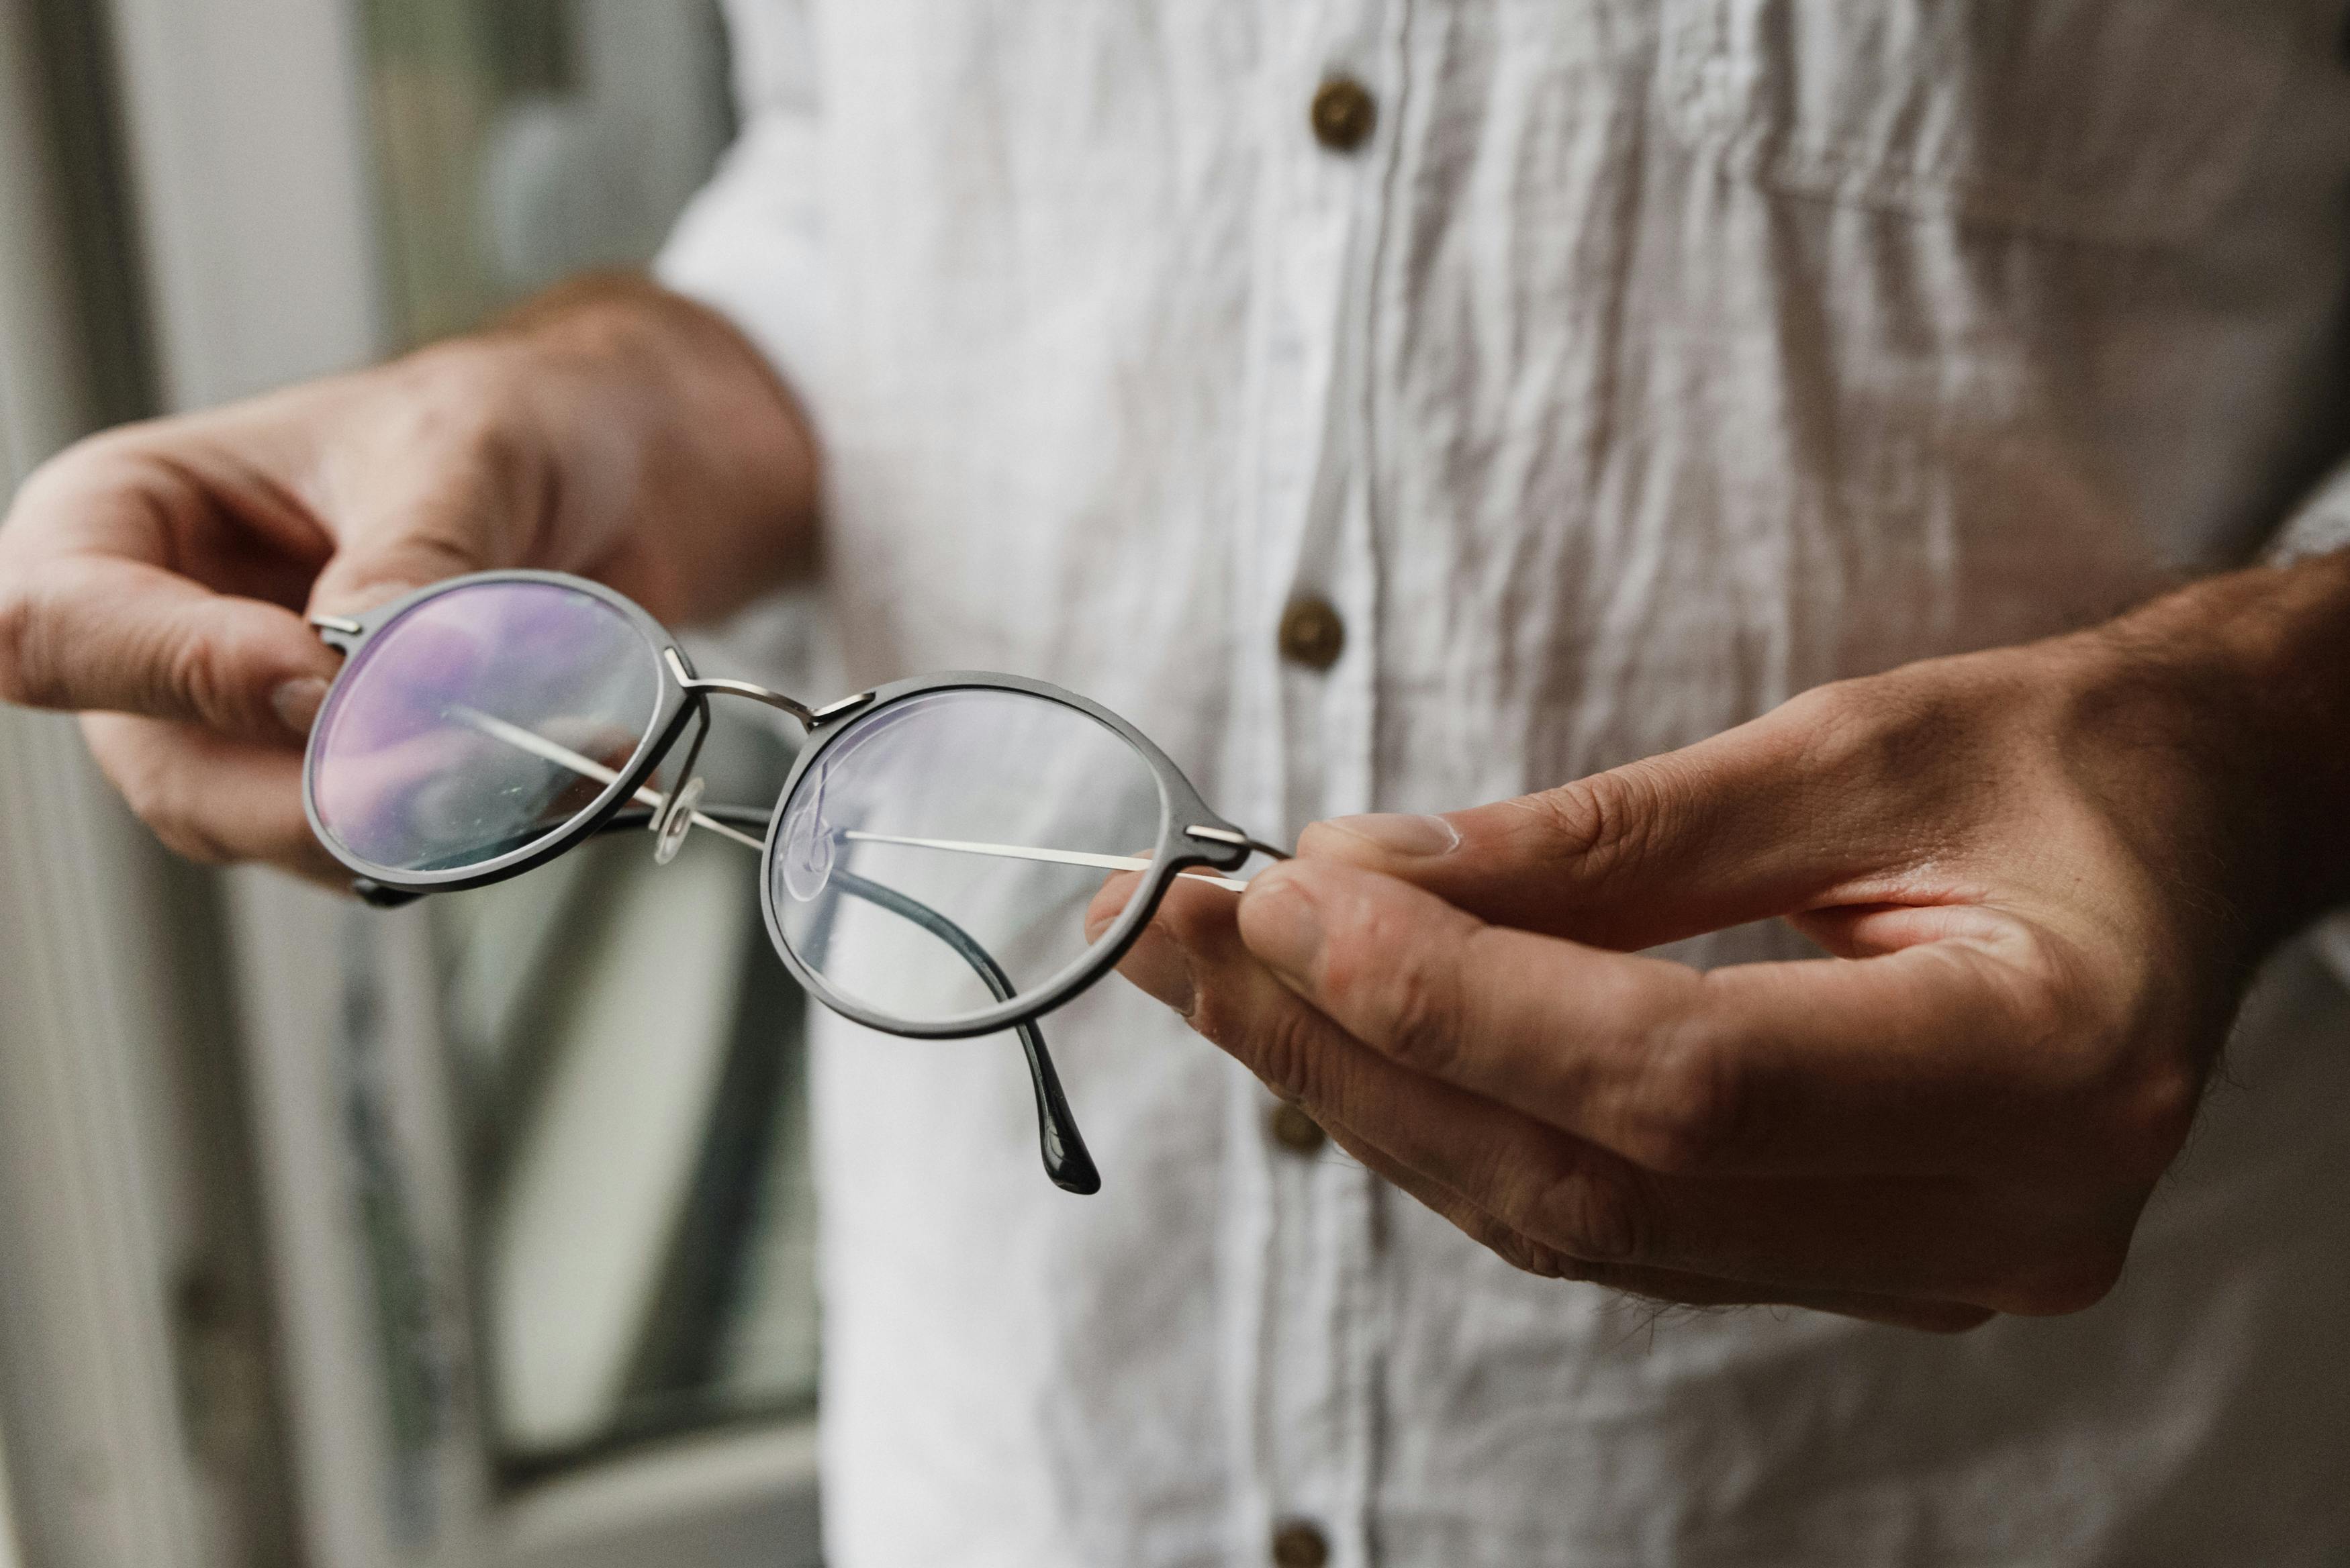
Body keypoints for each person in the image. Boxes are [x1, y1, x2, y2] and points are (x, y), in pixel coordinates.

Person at [4, 2, 2349, 1563]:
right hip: (1017, 1471)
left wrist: (2247, 750)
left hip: (2001, 1486)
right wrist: (590, 410)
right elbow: (871, 182)